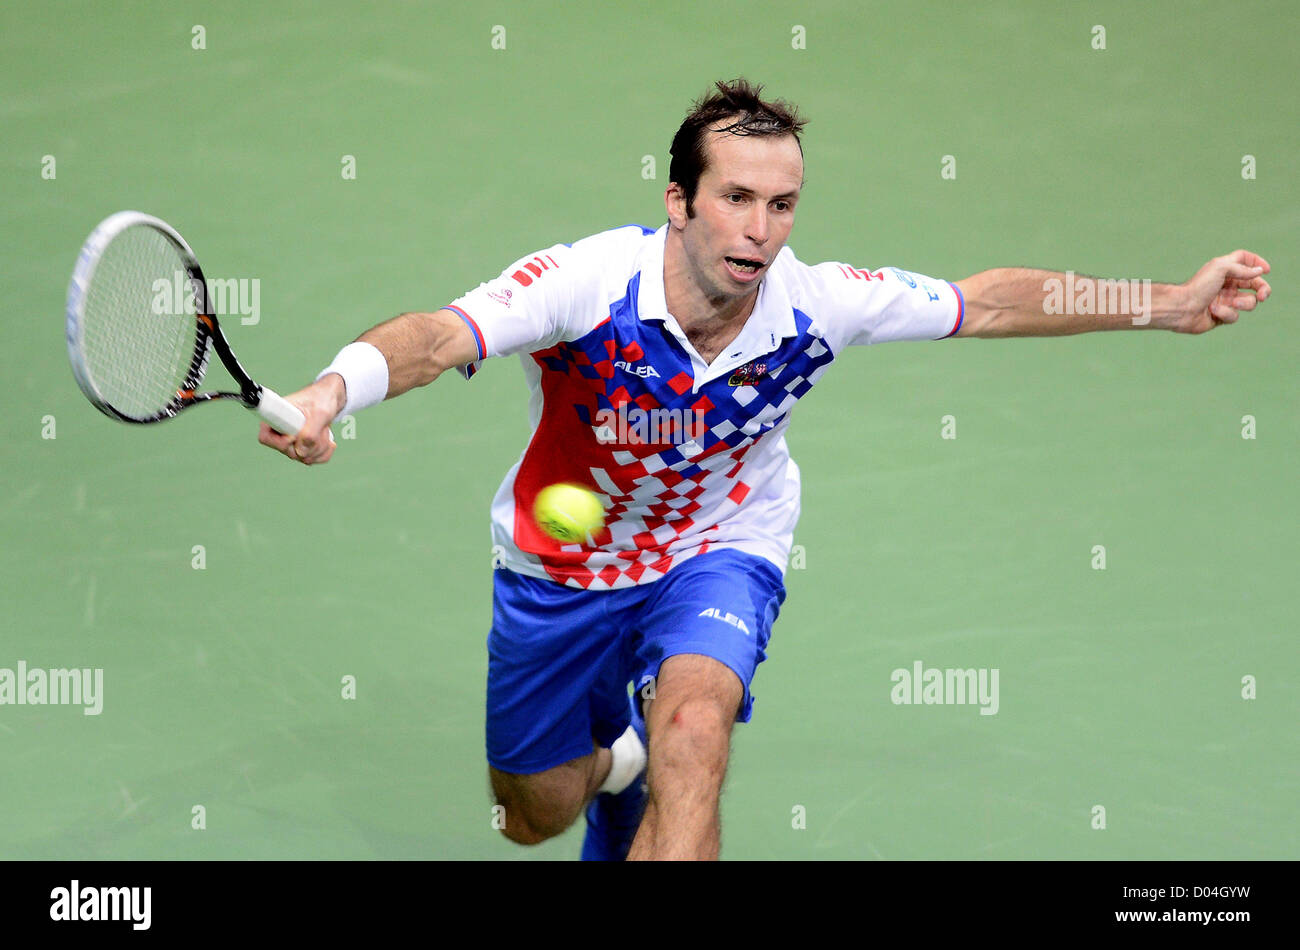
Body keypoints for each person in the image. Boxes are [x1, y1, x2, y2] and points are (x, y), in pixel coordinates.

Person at [258, 78, 1272, 860]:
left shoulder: (815, 303)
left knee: (696, 728)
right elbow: (438, 336)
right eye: (736, 198)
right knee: (532, 814)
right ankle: (618, 760)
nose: (760, 228)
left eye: (781, 203)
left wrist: (1170, 301)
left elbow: (986, 301)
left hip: (720, 546)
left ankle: (657, 740)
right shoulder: (585, 283)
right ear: (679, 201)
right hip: (560, 564)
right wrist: (330, 391)